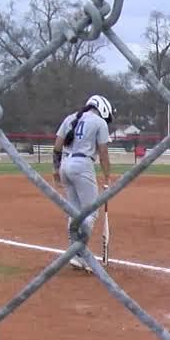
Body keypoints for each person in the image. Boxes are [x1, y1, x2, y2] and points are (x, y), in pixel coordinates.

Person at [52, 94, 113, 273]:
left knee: (74, 211)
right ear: (102, 108)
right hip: (82, 165)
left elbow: (57, 147)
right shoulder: (99, 123)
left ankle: (74, 253)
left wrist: (56, 169)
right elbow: (103, 153)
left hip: (65, 164)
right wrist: (107, 176)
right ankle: (80, 253)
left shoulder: (70, 118)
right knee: (90, 212)